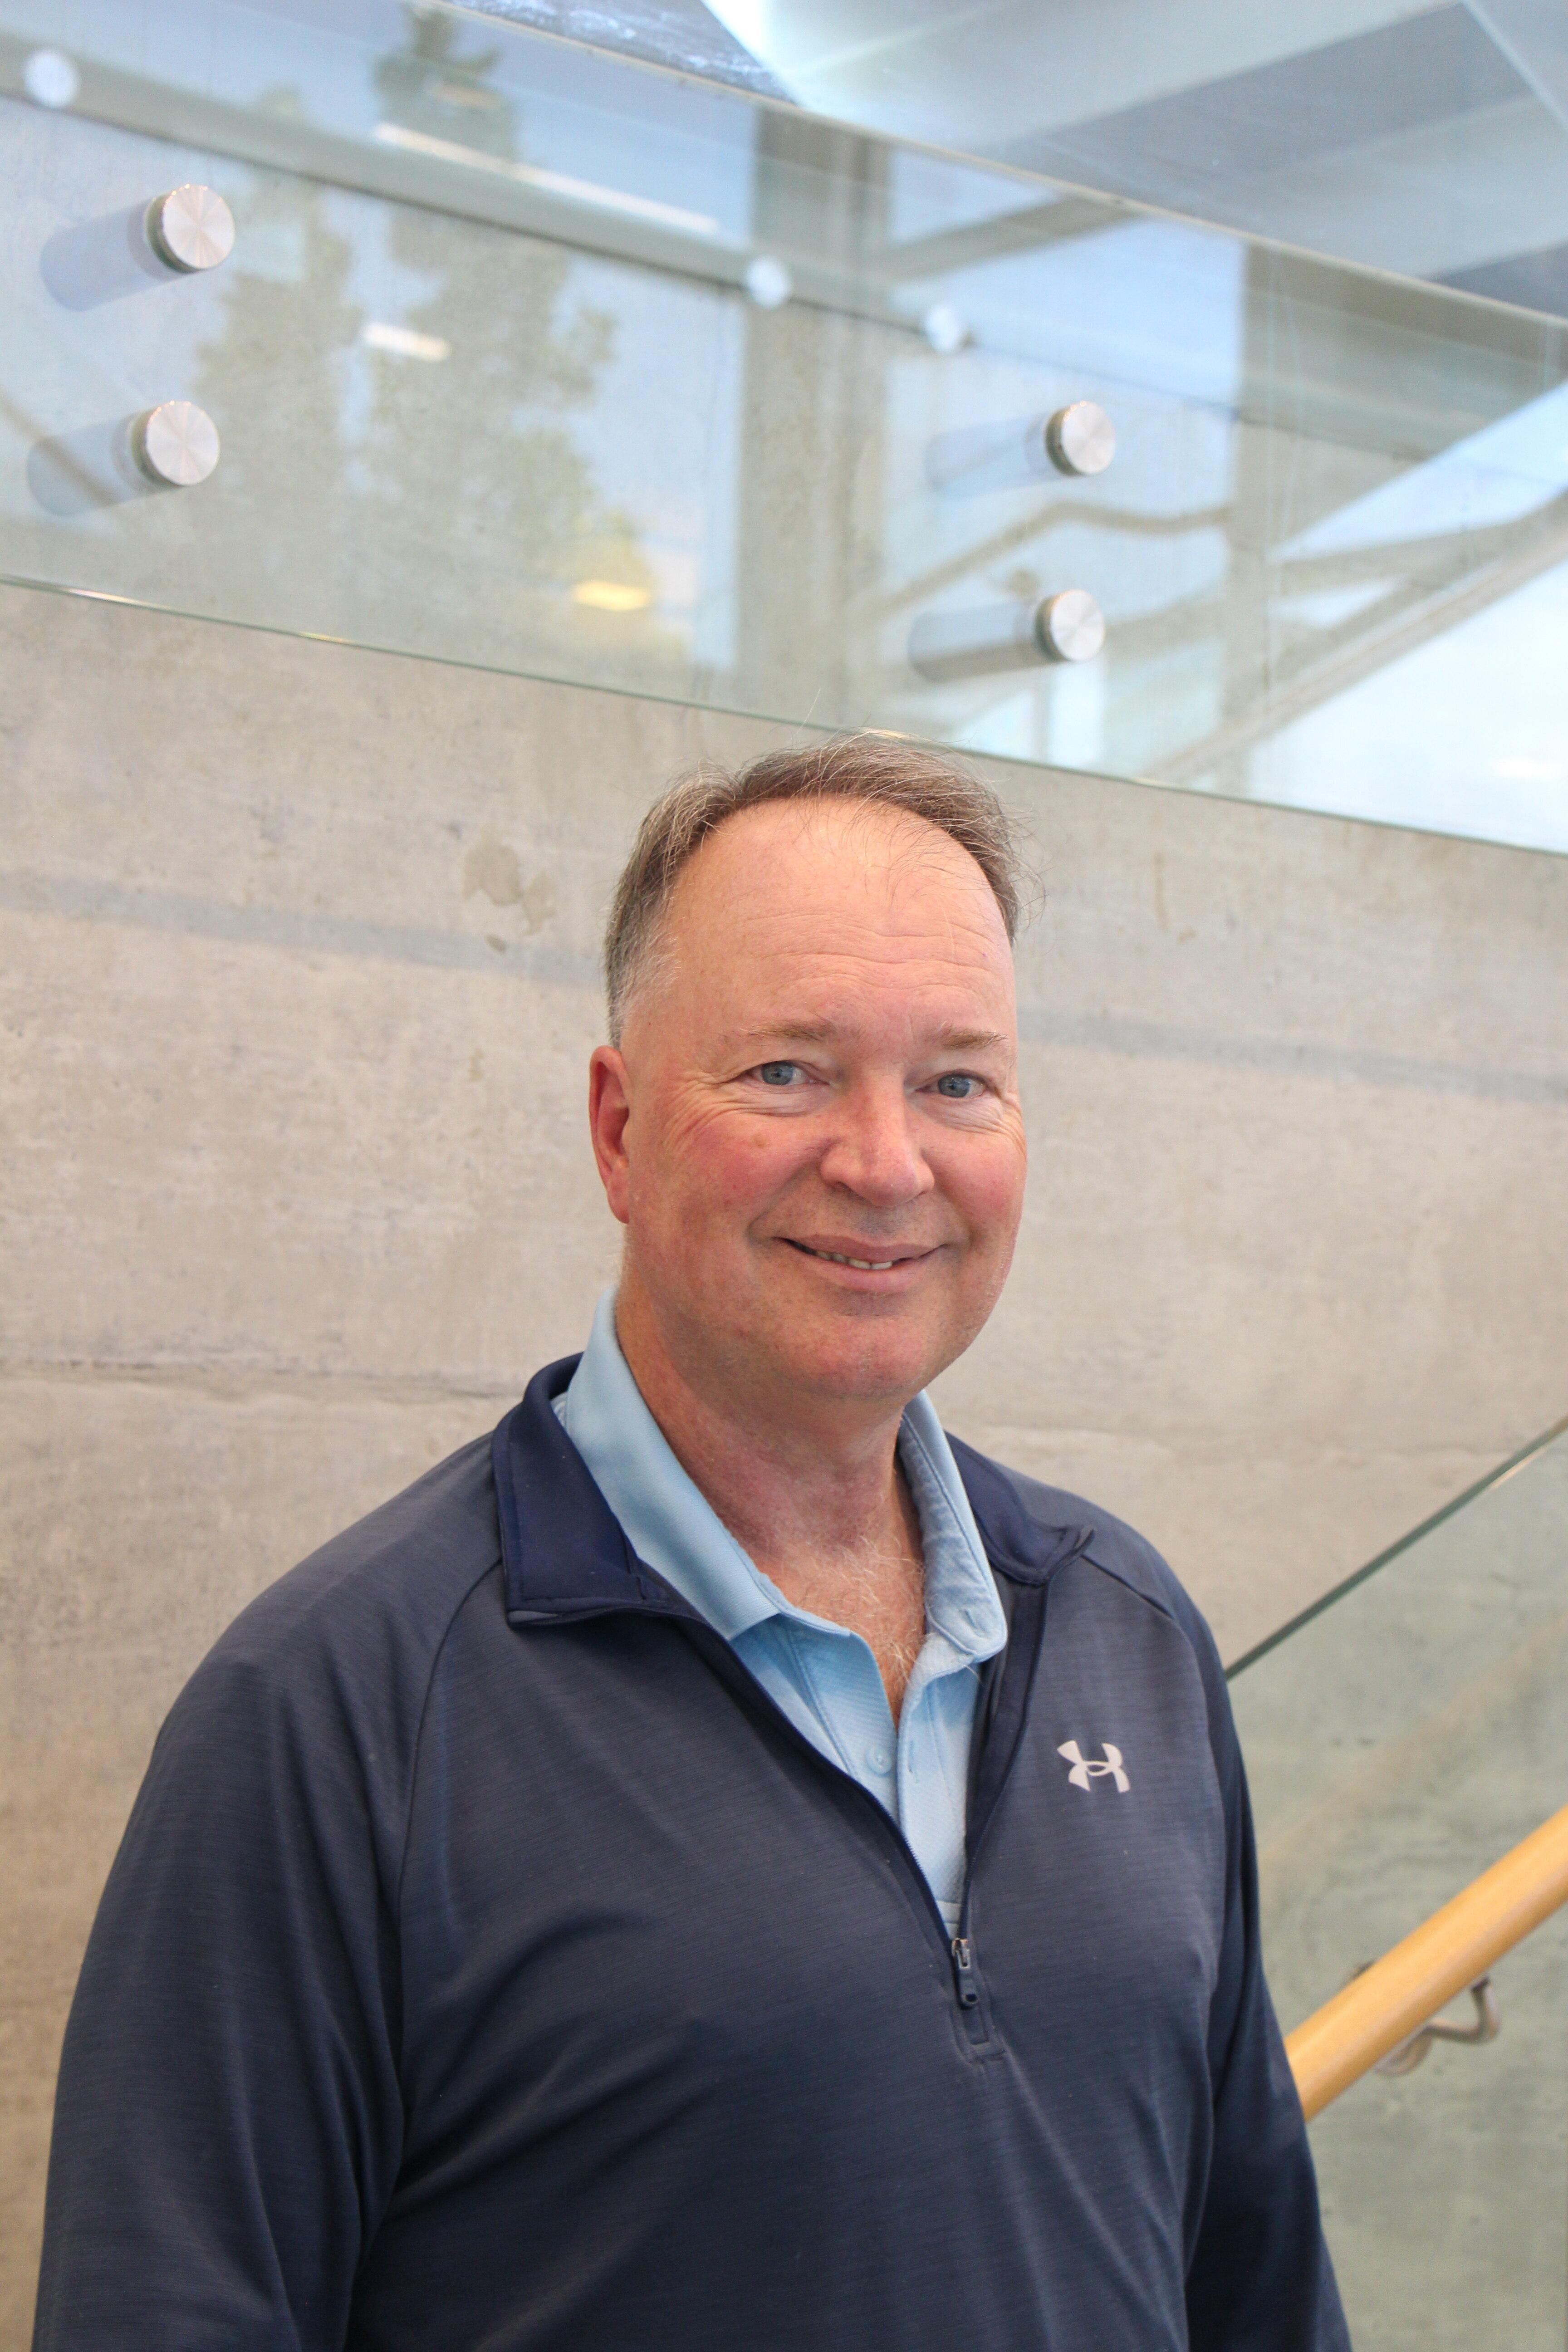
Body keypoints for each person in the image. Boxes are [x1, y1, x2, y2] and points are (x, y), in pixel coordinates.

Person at [33, 734, 1347, 2352]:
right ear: (619, 1130)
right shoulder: (339, 1711)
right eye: (788, 1071)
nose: (885, 1163)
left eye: (957, 1081)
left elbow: (1259, 2295)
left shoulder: (1128, 1633)